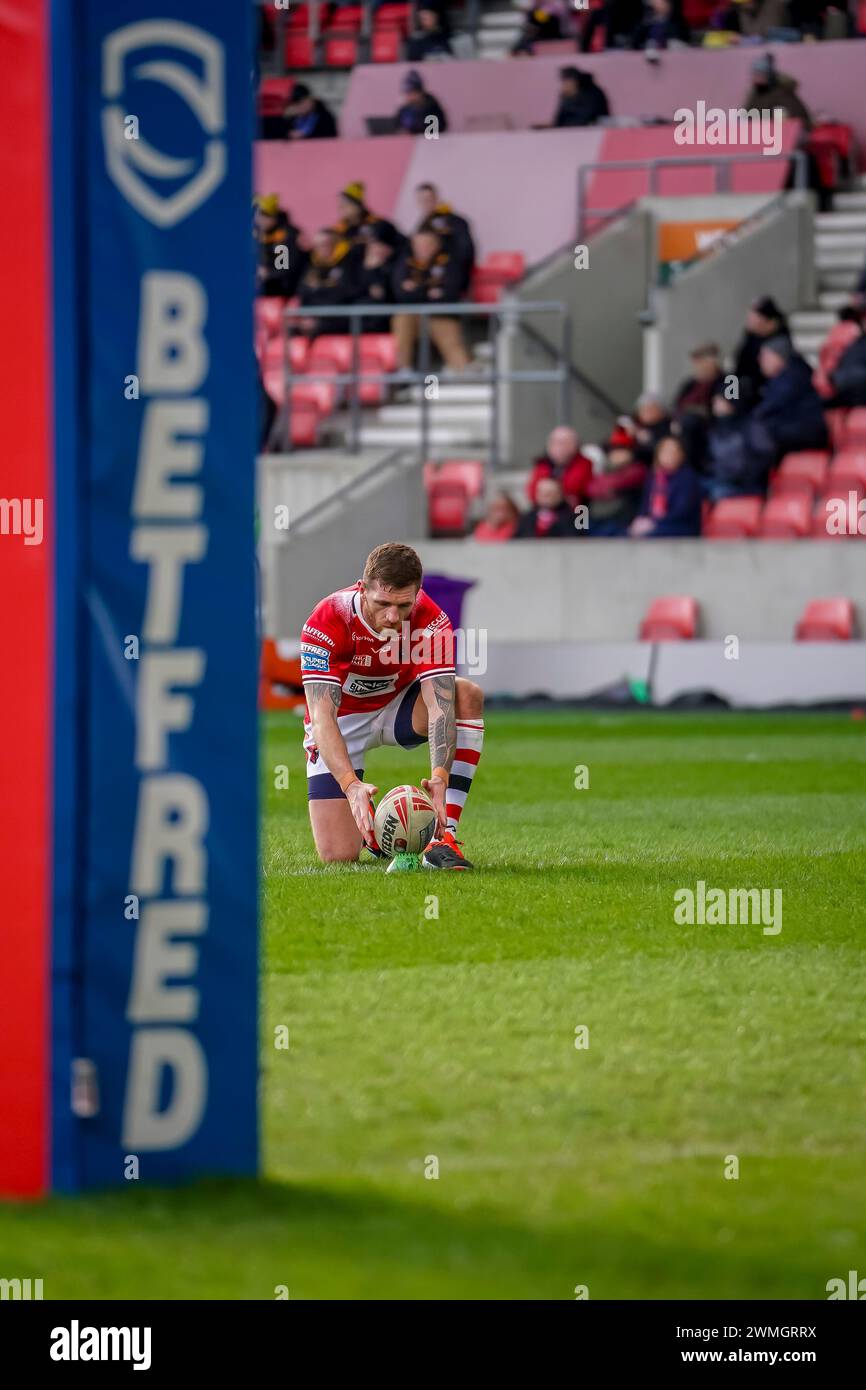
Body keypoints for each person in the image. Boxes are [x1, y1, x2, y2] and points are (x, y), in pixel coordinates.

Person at [300, 542, 483, 869]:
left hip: (398, 706)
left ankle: (445, 837)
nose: (392, 617)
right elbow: (321, 715)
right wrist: (350, 786)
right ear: (362, 589)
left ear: (417, 594)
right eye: (382, 603)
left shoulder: (431, 620)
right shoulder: (327, 619)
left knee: (465, 694)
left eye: (403, 606)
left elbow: (440, 707)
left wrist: (440, 776)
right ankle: (377, 823)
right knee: (338, 856)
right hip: (342, 720)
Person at [391, 230, 471, 370]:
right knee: (401, 319)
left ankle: (463, 373)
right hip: (414, 315)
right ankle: (402, 372)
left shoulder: (449, 262)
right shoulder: (405, 263)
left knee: (449, 339)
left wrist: (416, 289)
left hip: (440, 315)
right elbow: (400, 295)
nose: (422, 248)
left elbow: (450, 294)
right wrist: (429, 291)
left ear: (437, 245)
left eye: (427, 244)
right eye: (418, 245)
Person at [749, 336, 829, 458]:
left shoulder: (792, 377)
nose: (759, 360)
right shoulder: (786, 376)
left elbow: (769, 408)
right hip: (796, 430)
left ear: (778, 357)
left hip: (805, 432)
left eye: (765, 356)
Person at [629, 436, 702, 537]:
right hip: (655, 524)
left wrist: (654, 523)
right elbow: (645, 506)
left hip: (680, 527)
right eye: (665, 451)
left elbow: (681, 512)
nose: (669, 455)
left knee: (649, 536)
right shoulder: (654, 477)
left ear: (682, 454)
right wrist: (640, 520)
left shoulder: (687, 478)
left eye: (674, 451)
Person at [297, 227, 362, 336]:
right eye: (316, 246)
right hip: (314, 317)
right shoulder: (313, 266)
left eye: (324, 244)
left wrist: (317, 288)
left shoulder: (350, 262)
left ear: (335, 243)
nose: (319, 249)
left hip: (341, 317)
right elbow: (302, 292)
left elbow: (345, 293)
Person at [585, 425, 648, 534]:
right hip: (597, 517)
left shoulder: (637, 469)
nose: (617, 455)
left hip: (621, 520)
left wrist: (604, 487)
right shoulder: (605, 469)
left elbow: (617, 483)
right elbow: (590, 488)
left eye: (622, 450)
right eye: (614, 451)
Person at [702, 390, 762, 501]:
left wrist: (743, 478)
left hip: (744, 485)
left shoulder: (750, 426)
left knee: (718, 493)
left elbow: (762, 457)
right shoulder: (714, 427)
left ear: (731, 403)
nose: (714, 405)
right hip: (718, 479)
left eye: (719, 401)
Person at [414, 183, 476, 293]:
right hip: (426, 284)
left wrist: (452, 277)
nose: (426, 204)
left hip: (451, 281)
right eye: (422, 200)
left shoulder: (455, 222)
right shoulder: (422, 225)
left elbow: (466, 252)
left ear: (436, 198)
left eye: (429, 199)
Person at [733, 296, 790, 404]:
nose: (749, 321)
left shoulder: (780, 341)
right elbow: (737, 369)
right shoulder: (751, 336)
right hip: (745, 389)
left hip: (766, 394)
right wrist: (729, 397)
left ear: (764, 319)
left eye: (753, 317)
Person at [526, 425, 593, 510]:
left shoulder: (584, 463)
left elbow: (574, 488)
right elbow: (533, 493)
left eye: (564, 443)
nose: (559, 447)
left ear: (575, 445)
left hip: (575, 512)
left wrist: (551, 494)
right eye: (554, 442)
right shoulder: (542, 464)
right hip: (544, 511)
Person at [254, 194, 307, 298]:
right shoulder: (257, 234)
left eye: (265, 215)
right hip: (263, 292)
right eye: (258, 215)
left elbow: (282, 268)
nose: (260, 219)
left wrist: (267, 274)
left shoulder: (283, 237)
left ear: (274, 217)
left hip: (282, 293)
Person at [741, 54, 812, 130]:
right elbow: (746, 115)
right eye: (755, 75)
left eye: (761, 76)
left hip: (784, 133)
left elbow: (798, 117)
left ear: (769, 76)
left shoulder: (782, 93)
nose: (757, 79)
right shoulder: (755, 95)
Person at [335, 182, 403, 253]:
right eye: (340, 203)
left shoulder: (379, 224)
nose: (340, 207)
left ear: (358, 206)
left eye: (346, 203)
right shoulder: (340, 229)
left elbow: (400, 243)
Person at [354, 226, 397, 331]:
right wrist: (368, 269)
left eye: (380, 245)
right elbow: (351, 292)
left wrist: (374, 271)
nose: (376, 249)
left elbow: (380, 294)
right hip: (359, 321)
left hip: (383, 321)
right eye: (372, 245)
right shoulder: (356, 266)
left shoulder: (395, 266)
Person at [515, 476, 579, 538]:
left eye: (550, 493)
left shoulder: (572, 518)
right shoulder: (527, 518)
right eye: (542, 492)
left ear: (560, 494)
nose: (545, 496)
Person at [395, 69, 449, 136]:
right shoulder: (404, 110)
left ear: (420, 92)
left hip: (430, 142)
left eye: (412, 93)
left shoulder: (432, 107)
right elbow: (398, 128)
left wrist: (414, 130)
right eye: (407, 93)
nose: (409, 96)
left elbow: (437, 130)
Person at [630, 393, 671, 466]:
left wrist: (648, 440)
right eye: (643, 409)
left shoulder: (666, 427)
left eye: (650, 409)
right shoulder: (634, 424)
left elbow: (662, 451)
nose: (646, 413)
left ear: (662, 411)